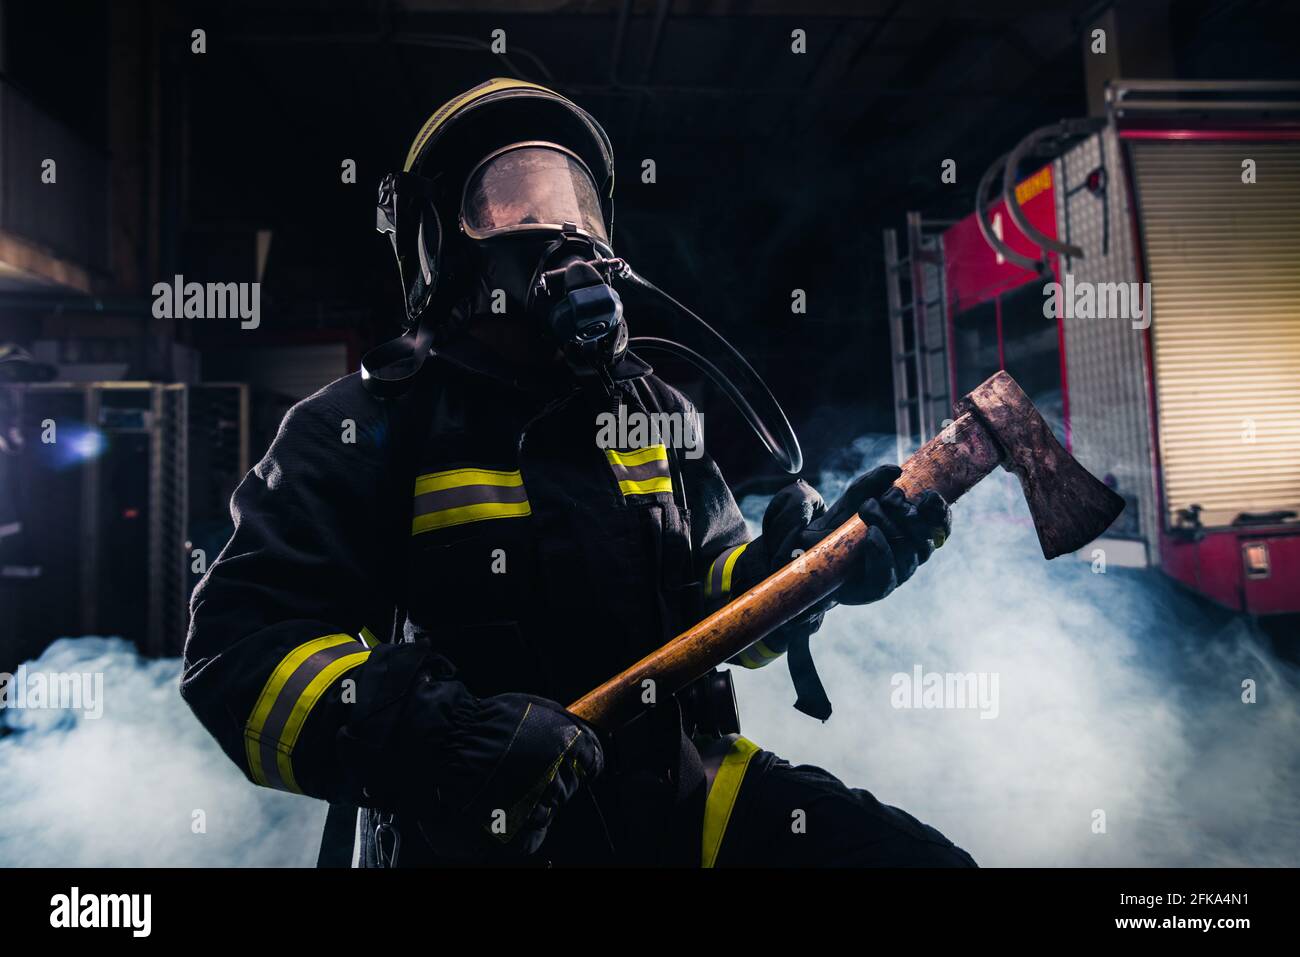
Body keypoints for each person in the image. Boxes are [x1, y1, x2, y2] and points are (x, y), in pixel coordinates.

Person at [181, 79, 975, 868]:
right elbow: (238, 650)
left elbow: (715, 595)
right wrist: (440, 743)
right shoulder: (365, 424)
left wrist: (810, 572)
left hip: (678, 795)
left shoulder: (652, 408)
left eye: (578, 203)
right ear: (442, 246)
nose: (563, 232)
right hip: (478, 835)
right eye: (514, 199)